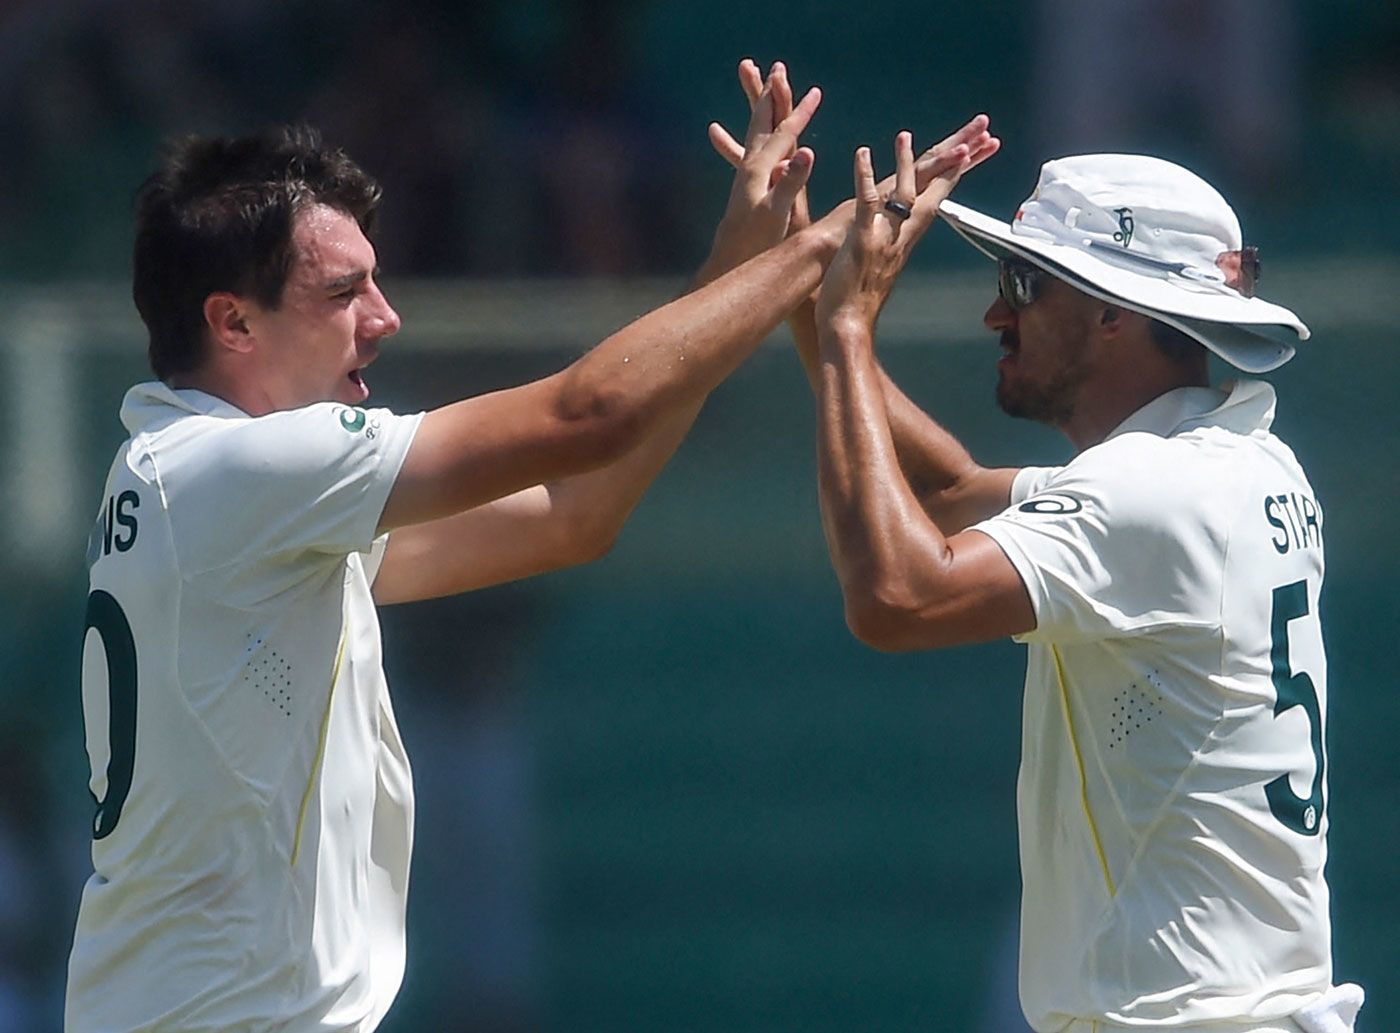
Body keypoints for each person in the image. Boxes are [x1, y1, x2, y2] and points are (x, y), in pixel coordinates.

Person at [65, 65, 994, 1029]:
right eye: (343, 292)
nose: (385, 318)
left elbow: (571, 515)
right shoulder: (241, 470)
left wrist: (739, 257)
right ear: (232, 320)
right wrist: (829, 243)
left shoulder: (206, 486)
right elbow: (588, 414)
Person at [801, 140, 1365, 1032]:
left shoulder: (1154, 492)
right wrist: (810, 294)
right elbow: (944, 492)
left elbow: (896, 596)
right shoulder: (1233, 462)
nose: (996, 312)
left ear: (1112, 312)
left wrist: (844, 331)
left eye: (1025, 283)